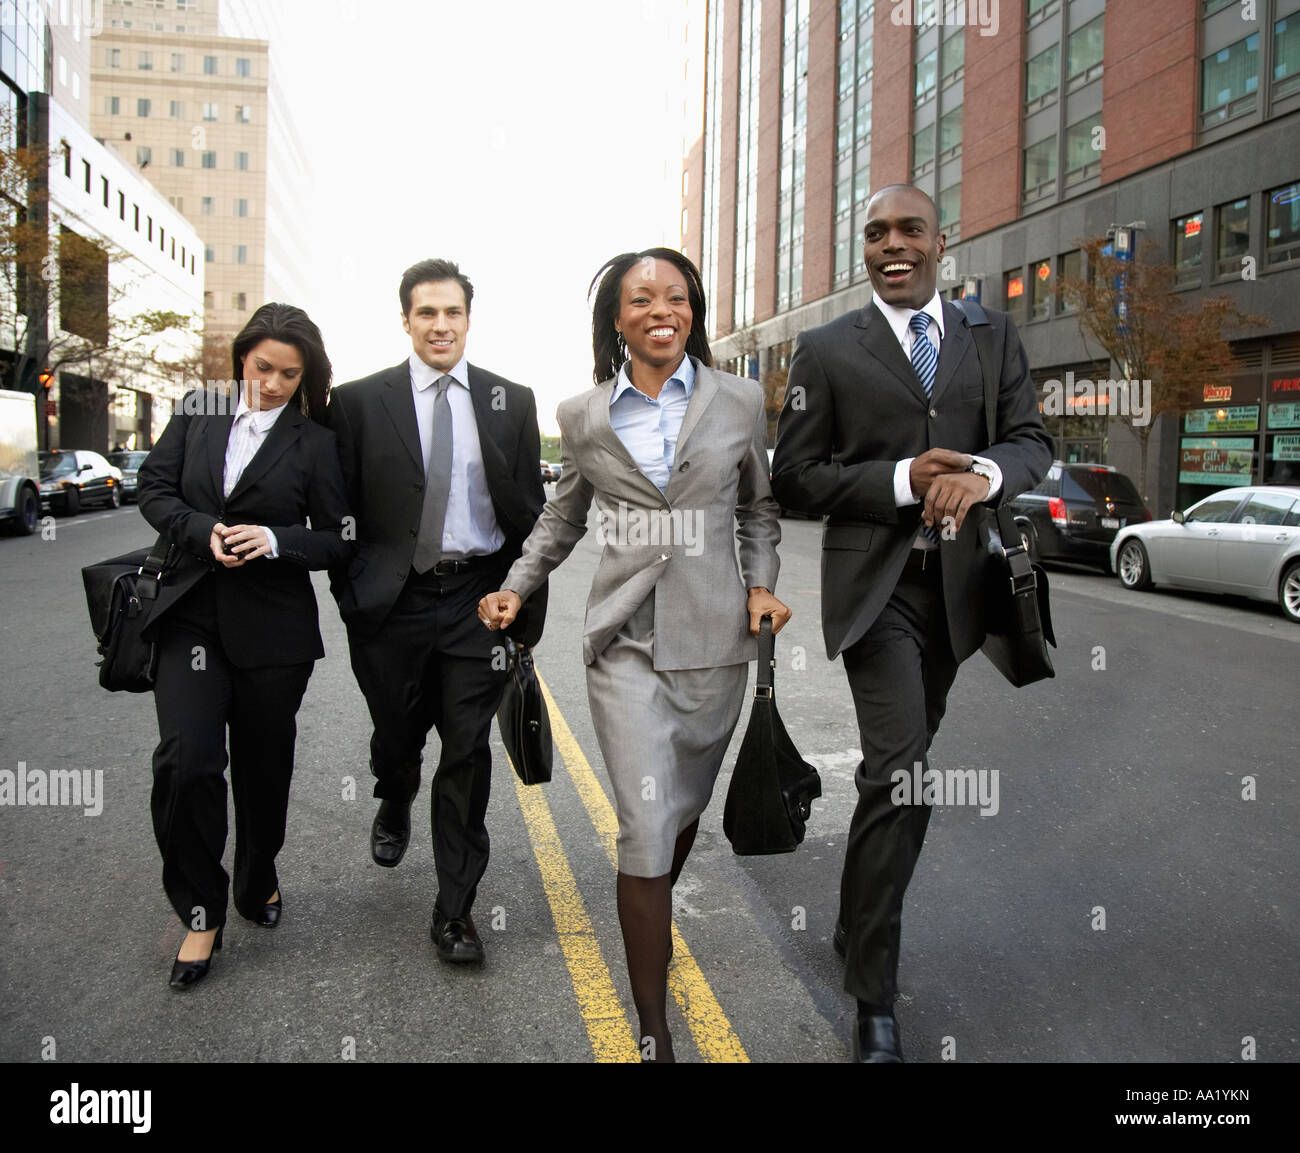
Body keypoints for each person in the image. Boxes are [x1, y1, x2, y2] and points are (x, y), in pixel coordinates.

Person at [479, 248, 789, 1061]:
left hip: (714, 643)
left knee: (680, 813)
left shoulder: (739, 400)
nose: (662, 310)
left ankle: (651, 916)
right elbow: (562, 518)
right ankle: (654, 1027)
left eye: (677, 297)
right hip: (623, 642)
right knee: (646, 825)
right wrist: (515, 585)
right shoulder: (583, 414)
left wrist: (761, 585)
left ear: (693, 311)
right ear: (617, 319)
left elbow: (759, 510)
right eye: (643, 299)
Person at [771, 185, 1053, 1061]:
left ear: (940, 241)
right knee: (901, 775)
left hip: (961, 596)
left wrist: (983, 476)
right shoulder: (826, 349)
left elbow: (1032, 440)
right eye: (875, 233)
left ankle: (857, 922)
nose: (891, 244)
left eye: (908, 230)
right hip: (877, 592)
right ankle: (875, 1000)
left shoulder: (990, 334)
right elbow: (794, 476)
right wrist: (902, 479)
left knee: (901, 780)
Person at [326, 259, 548, 964]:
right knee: (397, 737)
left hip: (476, 599)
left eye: (453, 312)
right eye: (427, 312)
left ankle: (455, 911)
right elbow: (336, 509)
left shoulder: (512, 401)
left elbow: (530, 513)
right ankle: (395, 793)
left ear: (469, 319)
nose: (441, 325)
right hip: (391, 602)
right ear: (406, 320)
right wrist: (351, 588)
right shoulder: (358, 402)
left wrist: (521, 601)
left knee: (466, 750)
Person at [136, 303, 353, 990]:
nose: (274, 384)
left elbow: (340, 536)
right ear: (241, 359)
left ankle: (258, 875)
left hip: (273, 631)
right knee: (187, 761)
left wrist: (277, 539)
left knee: (263, 769)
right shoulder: (197, 410)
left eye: (290, 375)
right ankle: (201, 910)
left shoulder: (314, 442)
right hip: (190, 615)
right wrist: (199, 529)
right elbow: (153, 488)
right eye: (264, 368)